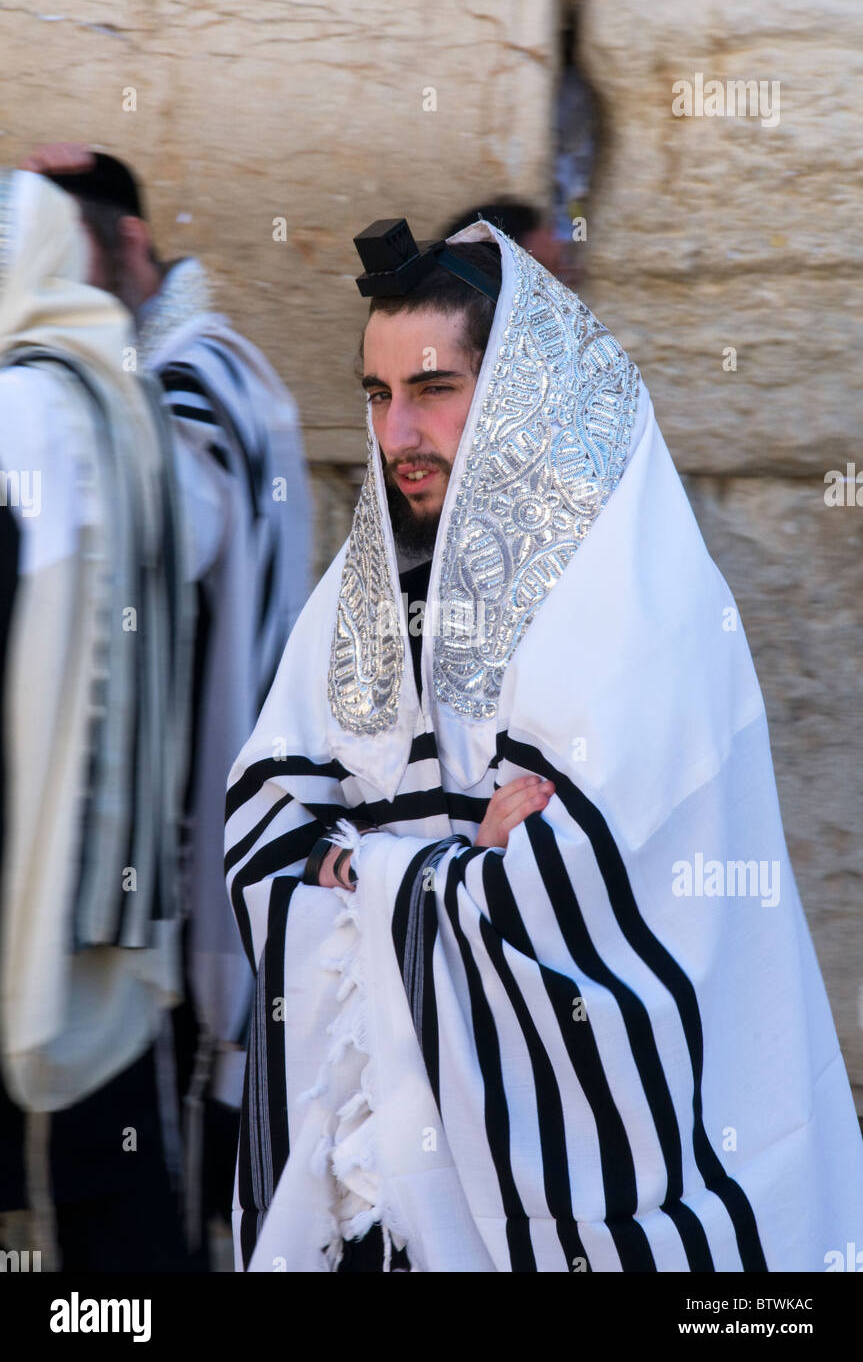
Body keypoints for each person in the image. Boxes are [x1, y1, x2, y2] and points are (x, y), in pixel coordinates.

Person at [225, 216, 863, 1272]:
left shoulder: (634, 598)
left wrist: (371, 876)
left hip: (577, 1193)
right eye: (377, 394)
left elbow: (586, 884)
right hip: (378, 1187)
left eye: (432, 389)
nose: (396, 437)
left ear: (518, 394)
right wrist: (447, 870)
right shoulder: (355, 594)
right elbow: (264, 833)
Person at [21, 145, 313, 1255]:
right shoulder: (205, 372)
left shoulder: (184, 383)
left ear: (129, 249)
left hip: (189, 863)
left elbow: (169, 540)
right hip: (195, 847)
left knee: (172, 1185)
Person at [0, 168, 193, 1269]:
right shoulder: (121, 391)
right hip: (114, 880)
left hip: (24, 854)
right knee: (115, 1174)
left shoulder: (18, 406)